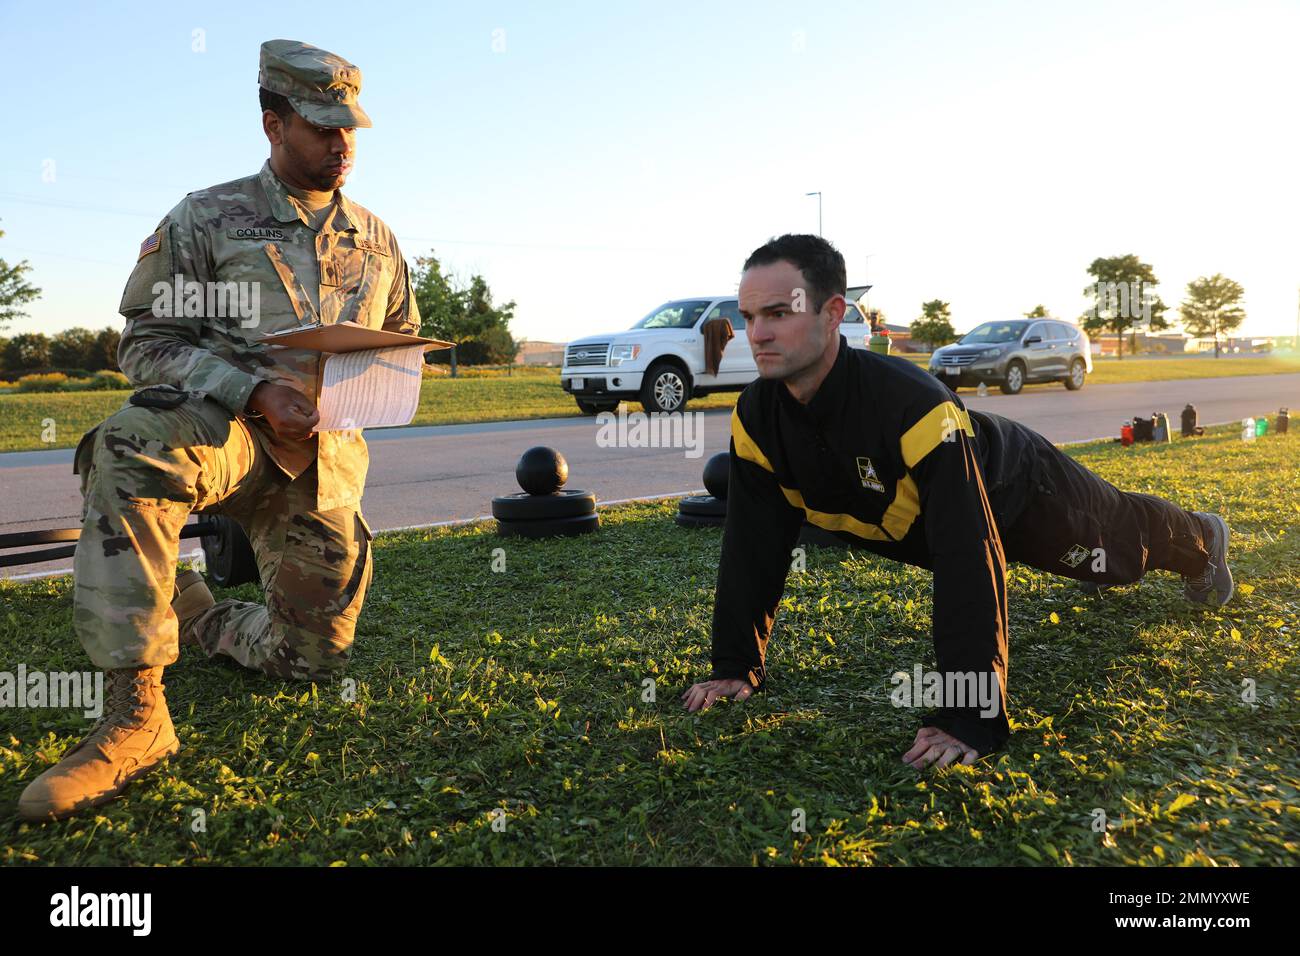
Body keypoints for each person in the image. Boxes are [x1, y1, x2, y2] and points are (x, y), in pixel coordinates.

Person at [18, 39, 421, 821]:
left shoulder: (377, 238)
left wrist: (388, 374)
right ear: (274, 124)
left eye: (350, 129)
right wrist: (253, 389)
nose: (342, 144)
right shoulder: (207, 217)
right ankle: (136, 716)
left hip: (321, 465)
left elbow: (402, 335)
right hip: (222, 434)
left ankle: (195, 608)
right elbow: (144, 342)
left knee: (309, 658)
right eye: (320, 126)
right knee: (132, 445)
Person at [680, 234, 1232, 769]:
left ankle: (1202, 538)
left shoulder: (911, 403)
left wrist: (969, 714)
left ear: (831, 313)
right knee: (1104, 561)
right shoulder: (756, 413)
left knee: (1123, 552)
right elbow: (754, 542)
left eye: (778, 313)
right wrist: (735, 665)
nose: (758, 334)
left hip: (1018, 489)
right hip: (933, 520)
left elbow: (967, 551)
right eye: (749, 317)